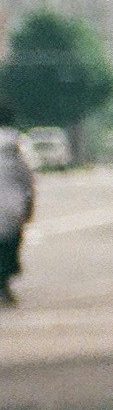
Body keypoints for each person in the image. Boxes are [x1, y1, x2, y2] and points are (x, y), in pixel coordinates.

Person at [0, 98, 30, 307]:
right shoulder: (17, 145)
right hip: (11, 204)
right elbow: (26, 178)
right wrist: (29, 206)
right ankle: (3, 285)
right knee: (9, 246)